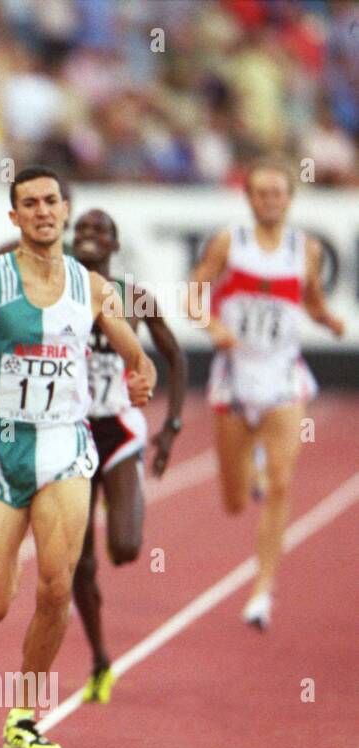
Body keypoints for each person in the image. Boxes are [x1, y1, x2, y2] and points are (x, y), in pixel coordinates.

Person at [0, 167, 156, 748]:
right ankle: (6, 557)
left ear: (64, 210)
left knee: (57, 590)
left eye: (51, 201)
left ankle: (26, 713)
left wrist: (143, 377)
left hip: (66, 449)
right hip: (3, 451)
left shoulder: (92, 287)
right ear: (14, 217)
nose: (42, 211)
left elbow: (135, 351)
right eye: (28, 203)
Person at [187, 157, 345, 629]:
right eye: (262, 193)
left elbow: (312, 298)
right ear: (250, 198)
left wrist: (328, 320)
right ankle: (247, 467)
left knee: (281, 485)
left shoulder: (306, 249)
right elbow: (193, 292)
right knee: (235, 501)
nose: (270, 201)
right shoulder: (228, 243)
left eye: (278, 193)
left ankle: (261, 592)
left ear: (290, 200)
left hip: (282, 379)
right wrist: (213, 326)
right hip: (235, 377)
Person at [69, 209, 187, 702]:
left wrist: (171, 426)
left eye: (101, 231)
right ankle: (99, 656)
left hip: (118, 429)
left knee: (125, 549)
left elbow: (175, 357)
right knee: (80, 563)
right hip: (70, 433)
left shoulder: (135, 298)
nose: (90, 237)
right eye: (83, 230)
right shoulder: (58, 291)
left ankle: (124, 508)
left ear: (116, 244)